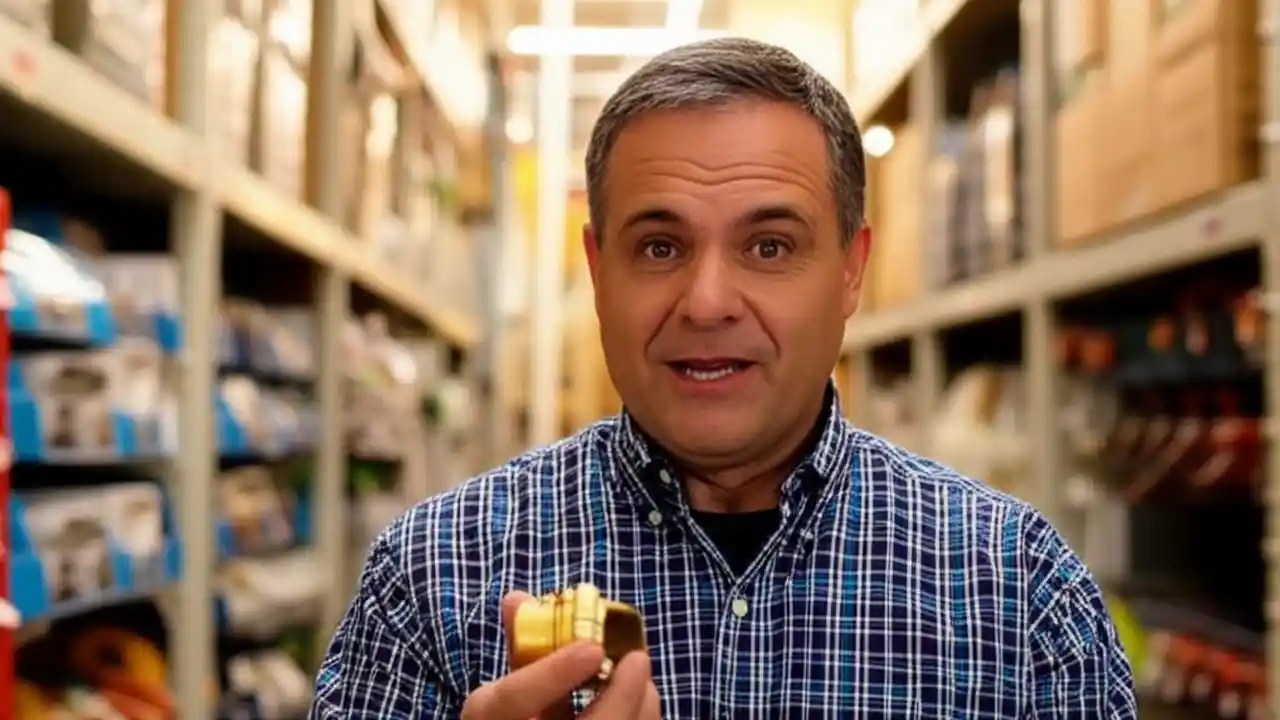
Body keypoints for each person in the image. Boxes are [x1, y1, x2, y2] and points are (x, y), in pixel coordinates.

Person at [310, 37, 1137, 719]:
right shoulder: (432, 578)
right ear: (598, 271)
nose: (706, 302)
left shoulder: (1021, 595)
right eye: (660, 247)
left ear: (852, 271)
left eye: (769, 246)